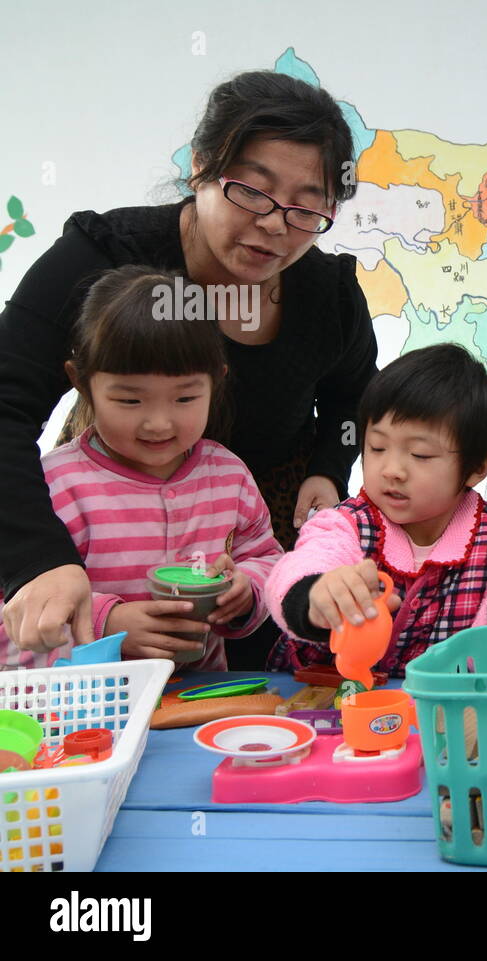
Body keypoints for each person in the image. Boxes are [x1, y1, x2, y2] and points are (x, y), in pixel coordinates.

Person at [0, 70, 378, 667]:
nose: (276, 224)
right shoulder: (103, 256)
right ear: (201, 164)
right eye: (252, 192)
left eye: (307, 207)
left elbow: (353, 399)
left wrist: (330, 469)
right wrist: (39, 560)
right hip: (109, 534)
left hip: (252, 541)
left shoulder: (328, 294)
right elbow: (5, 408)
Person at [0, 266, 283, 669]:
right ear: (81, 383)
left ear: (216, 382)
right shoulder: (52, 488)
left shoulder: (229, 476)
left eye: (185, 399)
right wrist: (106, 623)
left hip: (199, 703)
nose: (158, 424)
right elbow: (12, 620)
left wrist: (247, 590)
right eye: (130, 401)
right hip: (90, 714)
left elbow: (265, 556)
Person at [267, 345, 487, 678]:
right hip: (323, 706)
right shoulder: (346, 524)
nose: (392, 470)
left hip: (434, 717)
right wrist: (317, 595)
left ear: (477, 466)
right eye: (377, 447)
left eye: (419, 454)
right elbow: (295, 570)